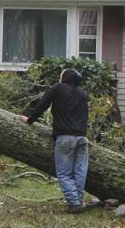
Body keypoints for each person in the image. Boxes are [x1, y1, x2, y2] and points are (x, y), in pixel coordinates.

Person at [19, 68, 90, 213]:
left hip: (64, 137)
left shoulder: (58, 88)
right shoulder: (83, 94)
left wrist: (31, 119)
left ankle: (74, 203)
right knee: (80, 171)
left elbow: (43, 104)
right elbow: (85, 116)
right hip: (82, 138)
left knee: (64, 173)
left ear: (65, 77)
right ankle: (78, 199)